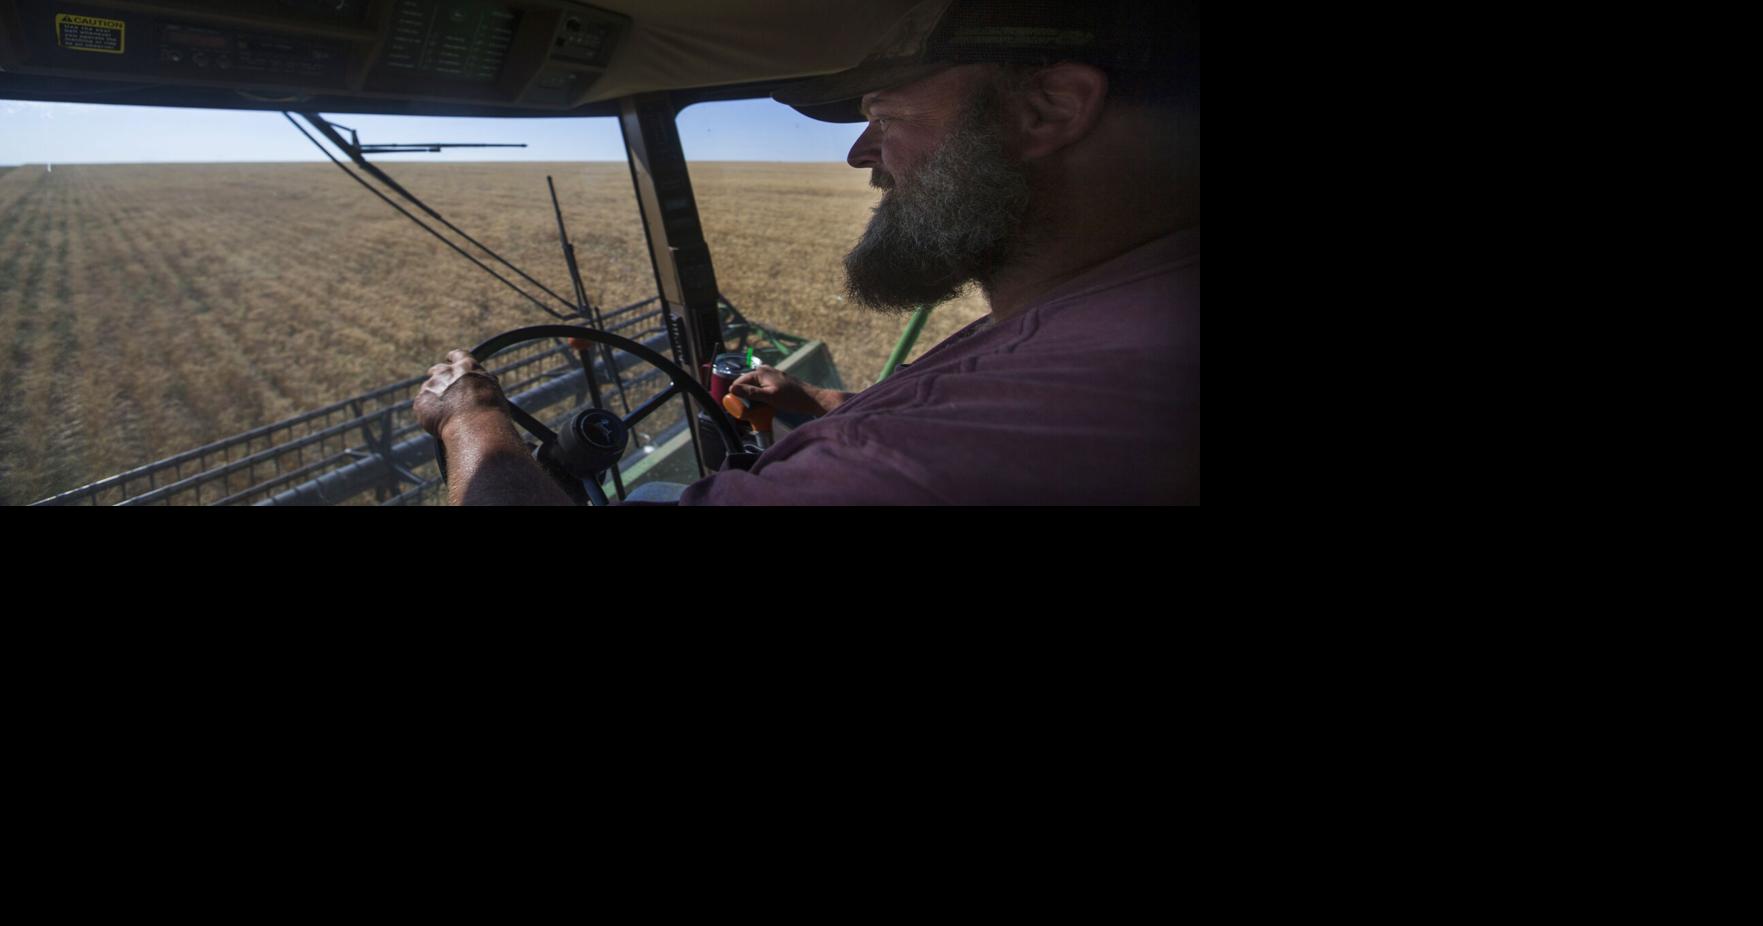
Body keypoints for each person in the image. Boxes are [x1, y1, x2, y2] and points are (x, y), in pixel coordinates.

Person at [415, 0, 1199, 505]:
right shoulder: (1124, 300)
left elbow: (938, 449)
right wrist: (815, 405)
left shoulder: (936, 455)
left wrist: (472, 419)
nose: (862, 154)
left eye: (884, 114)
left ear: (1049, 108)